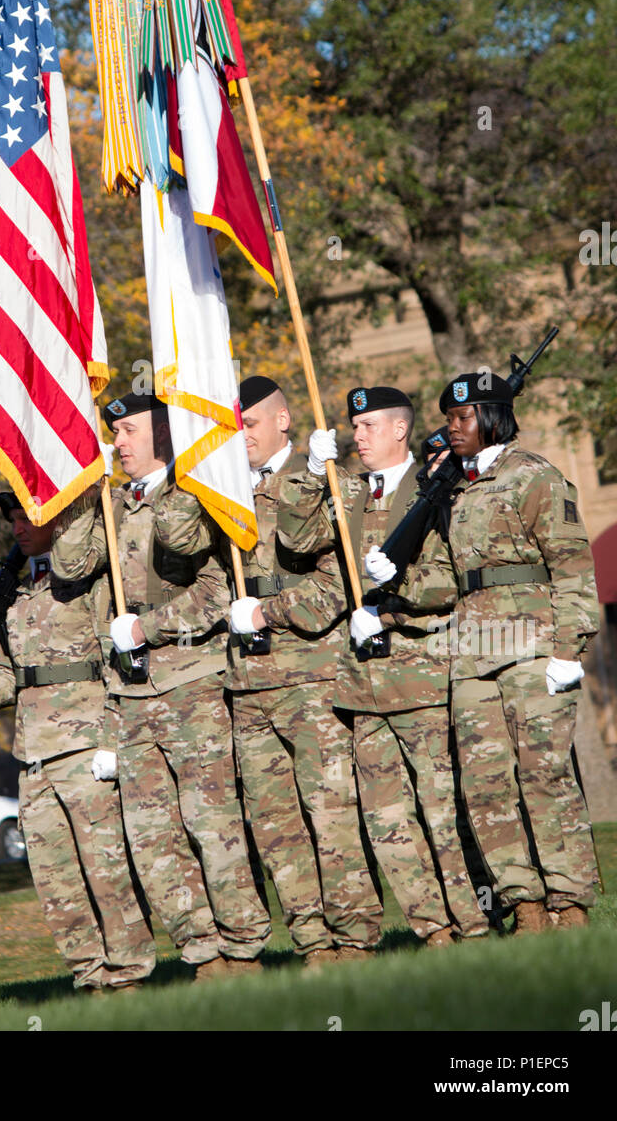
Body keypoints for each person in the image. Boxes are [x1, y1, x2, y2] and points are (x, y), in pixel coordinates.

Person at [155, 376, 383, 968]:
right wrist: (198, 459)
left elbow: (335, 585)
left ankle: (354, 938)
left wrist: (267, 610)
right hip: (249, 683)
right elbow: (174, 536)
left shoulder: (330, 480)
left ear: (284, 420)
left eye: (248, 424)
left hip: (312, 674)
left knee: (331, 812)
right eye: (231, 427)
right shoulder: (225, 488)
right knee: (274, 824)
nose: (242, 437)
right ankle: (311, 942)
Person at [365, 370, 601, 932]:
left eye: (463, 418)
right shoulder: (458, 489)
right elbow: (447, 580)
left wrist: (570, 649)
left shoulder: (534, 476)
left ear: (493, 417)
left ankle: (570, 902)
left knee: (543, 776)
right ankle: (524, 901)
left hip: (533, 649)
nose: (452, 429)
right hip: (472, 657)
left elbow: (572, 566)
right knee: (485, 785)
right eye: (448, 419)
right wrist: (395, 586)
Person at [50, 390, 271, 979]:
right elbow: (69, 567)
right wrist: (79, 495)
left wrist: (149, 625)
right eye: (113, 433)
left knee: (211, 821)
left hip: (191, 680)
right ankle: (201, 952)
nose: (117, 443)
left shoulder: (199, 493)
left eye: (127, 432)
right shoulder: (112, 501)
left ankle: (243, 947)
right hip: (129, 694)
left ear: (165, 435)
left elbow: (220, 589)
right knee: (151, 837)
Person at [280, 386, 487, 947]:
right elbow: (295, 539)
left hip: (420, 673)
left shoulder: (438, 486)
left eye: (369, 425)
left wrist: (393, 600)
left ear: (400, 429)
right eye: (354, 426)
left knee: (443, 812)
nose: (357, 436)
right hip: (362, 684)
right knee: (386, 818)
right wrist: (307, 471)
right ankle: (433, 930)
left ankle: (475, 924)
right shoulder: (343, 491)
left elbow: (453, 575)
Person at [0, 491, 155, 991]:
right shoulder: (11, 592)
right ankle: (90, 975)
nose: (17, 526)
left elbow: (122, 666)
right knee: (55, 877)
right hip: (32, 756)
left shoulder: (91, 582)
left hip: (85, 746)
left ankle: (129, 976)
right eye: (12, 518)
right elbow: (8, 678)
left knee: (106, 867)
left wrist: (113, 739)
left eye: (27, 515)